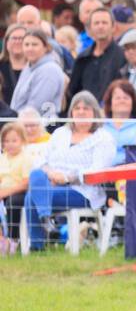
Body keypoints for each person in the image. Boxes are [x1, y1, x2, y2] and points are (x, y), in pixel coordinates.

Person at [21, 91, 117, 251]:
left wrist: (66, 178)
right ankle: (46, 220)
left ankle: (38, 245)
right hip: (51, 184)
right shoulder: (60, 133)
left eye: (86, 109)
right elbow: (41, 160)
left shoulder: (104, 138)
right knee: (36, 174)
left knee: (32, 197)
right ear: (71, 112)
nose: (80, 112)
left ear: (94, 112)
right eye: (77, 108)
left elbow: (98, 170)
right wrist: (51, 174)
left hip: (83, 191)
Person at [10, 28, 66, 115]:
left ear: (45, 47)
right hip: (22, 122)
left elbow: (36, 107)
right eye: (26, 44)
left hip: (42, 125)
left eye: (34, 44)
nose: (30, 48)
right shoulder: (29, 67)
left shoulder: (49, 70)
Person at [0, 121, 33, 253]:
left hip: (19, 192)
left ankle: (14, 239)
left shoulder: (26, 158)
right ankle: (2, 238)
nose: (10, 144)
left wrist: (4, 193)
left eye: (14, 140)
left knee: (13, 202)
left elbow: (26, 183)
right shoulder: (2, 158)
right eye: (6, 141)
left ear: (22, 141)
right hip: (3, 192)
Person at [100, 79, 136, 165]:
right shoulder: (99, 128)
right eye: (117, 98)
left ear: (133, 103)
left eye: (126, 97)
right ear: (110, 103)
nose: (122, 101)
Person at [1, 25, 28, 104]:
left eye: (22, 38)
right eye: (14, 38)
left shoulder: (35, 68)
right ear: (6, 42)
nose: (18, 41)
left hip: (29, 114)